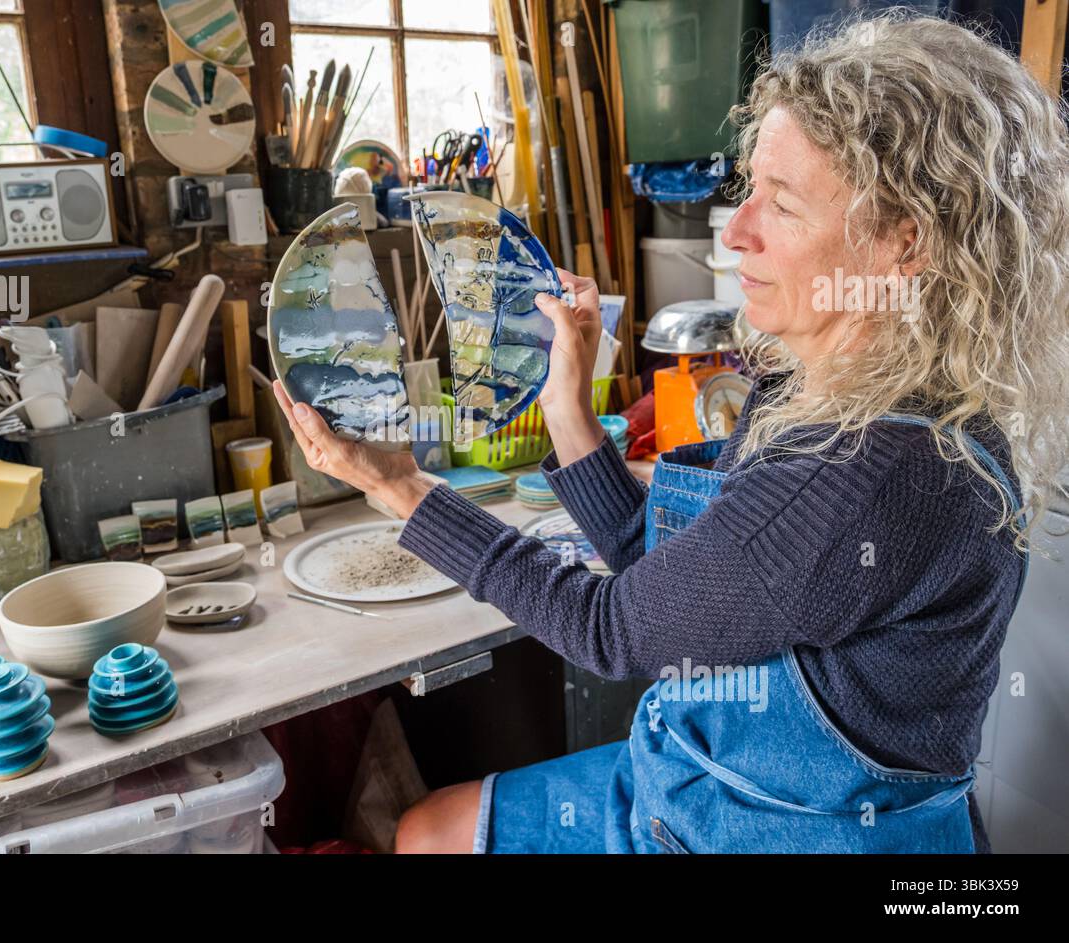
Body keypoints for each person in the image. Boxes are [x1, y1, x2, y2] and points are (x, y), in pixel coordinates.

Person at [273, 13, 1069, 853]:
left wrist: (401, 486)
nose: (737, 230)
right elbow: (669, 583)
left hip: (789, 831)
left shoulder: (877, 468)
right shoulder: (815, 388)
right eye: (750, 188)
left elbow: (611, 628)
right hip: (697, 780)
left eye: (783, 205)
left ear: (902, 244)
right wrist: (570, 410)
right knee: (427, 829)